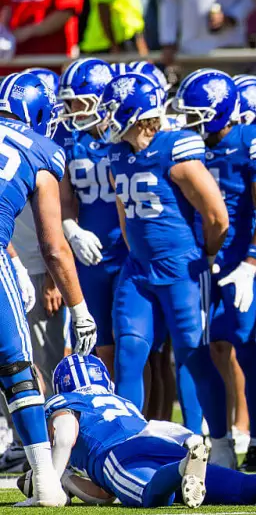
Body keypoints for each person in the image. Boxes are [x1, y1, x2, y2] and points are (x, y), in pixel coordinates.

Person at [21, 354, 256, 508]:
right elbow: (154, 427)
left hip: (120, 455)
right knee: (249, 490)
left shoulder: (62, 403)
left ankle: (183, 469)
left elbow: (66, 435)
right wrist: (188, 439)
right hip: (155, 440)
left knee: (147, 497)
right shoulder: (118, 402)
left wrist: (52, 478)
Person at [101, 73, 235, 469]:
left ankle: (212, 444)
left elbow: (217, 216)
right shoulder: (117, 155)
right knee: (129, 351)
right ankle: (127, 448)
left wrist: (202, 257)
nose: (106, 116)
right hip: (139, 269)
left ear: (136, 112)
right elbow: (125, 216)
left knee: (193, 355)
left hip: (181, 269)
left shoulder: (174, 149)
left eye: (114, 108)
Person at [172, 69, 256, 472]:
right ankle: (196, 437)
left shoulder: (251, 142)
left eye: (198, 114)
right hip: (197, 257)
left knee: (243, 345)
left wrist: (251, 262)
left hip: (239, 261)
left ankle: (255, 439)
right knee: (197, 347)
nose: (190, 123)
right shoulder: (184, 142)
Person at [0, 72, 98, 507]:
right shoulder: (42, 148)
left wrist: (15, 263)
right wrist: (79, 308)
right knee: (18, 368)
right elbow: (54, 245)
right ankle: (45, 482)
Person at [56, 58, 121, 376]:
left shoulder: (126, 129)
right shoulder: (69, 137)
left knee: (136, 349)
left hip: (128, 250)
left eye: (77, 102)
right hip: (90, 254)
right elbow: (64, 199)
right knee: (99, 348)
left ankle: (151, 423)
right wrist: (71, 229)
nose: (70, 109)